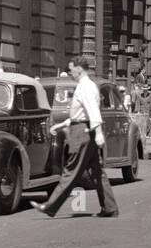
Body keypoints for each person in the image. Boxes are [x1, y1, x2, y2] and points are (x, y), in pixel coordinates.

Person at [32, 57, 119, 218]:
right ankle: (110, 207)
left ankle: (50, 206)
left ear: (79, 69)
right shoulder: (88, 86)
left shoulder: (85, 87)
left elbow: (92, 110)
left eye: (72, 69)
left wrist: (98, 132)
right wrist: (62, 124)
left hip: (82, 132)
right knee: (97, 171)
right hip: (84, 129)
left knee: (71, 170)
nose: (71, 72)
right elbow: (81, 113)